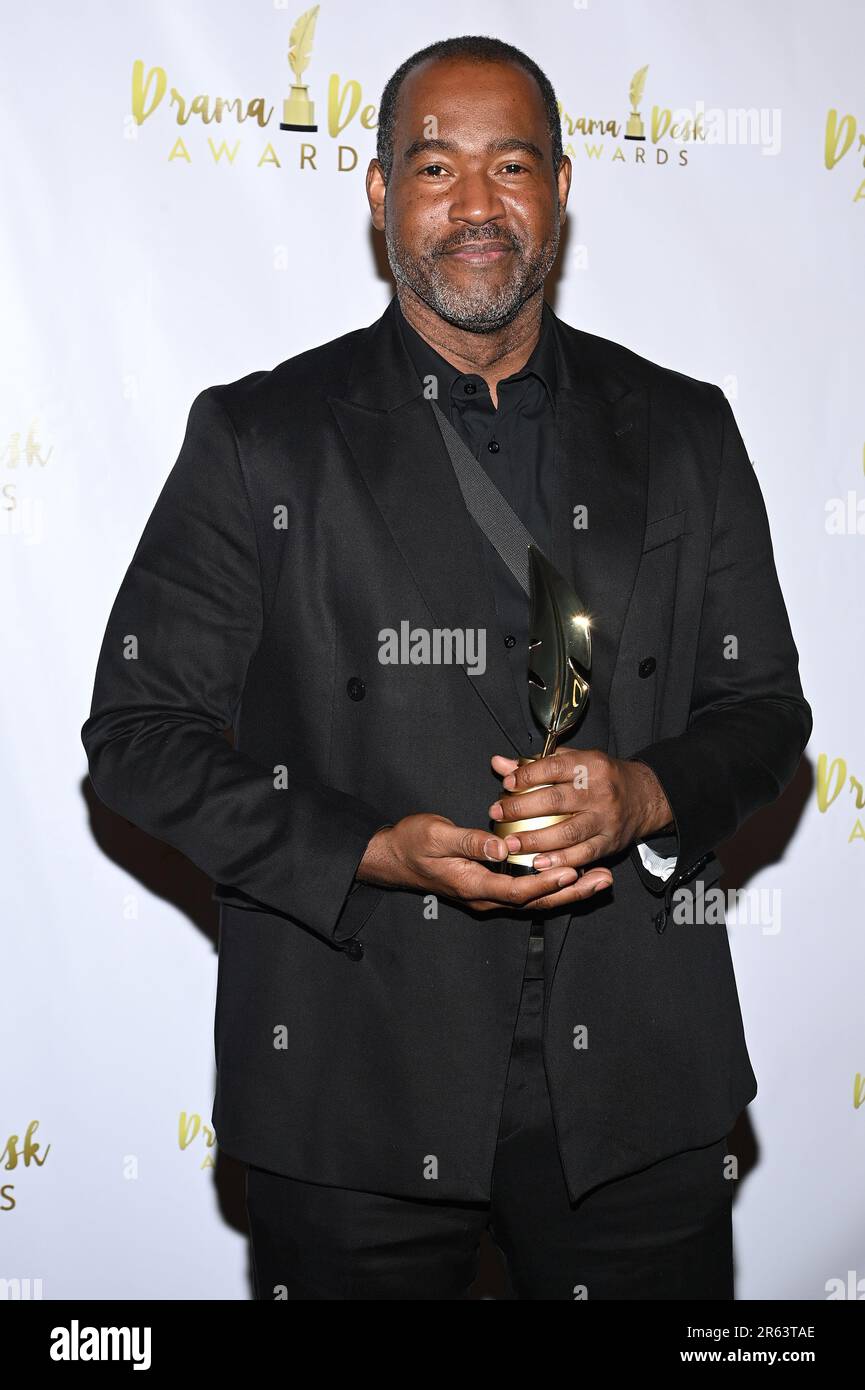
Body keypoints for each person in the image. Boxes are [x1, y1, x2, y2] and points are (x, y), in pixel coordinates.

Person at [81, 35, 812, 1300]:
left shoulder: (684, 427)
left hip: (638, 1084)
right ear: (380, 194)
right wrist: (370, 849)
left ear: (561, 188)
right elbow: (138, 738)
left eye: (510, 165)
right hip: (354, 1074)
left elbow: (762, 711)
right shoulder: (263, 439)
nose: (476, 203)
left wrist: (644, 795)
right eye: (434, 167)